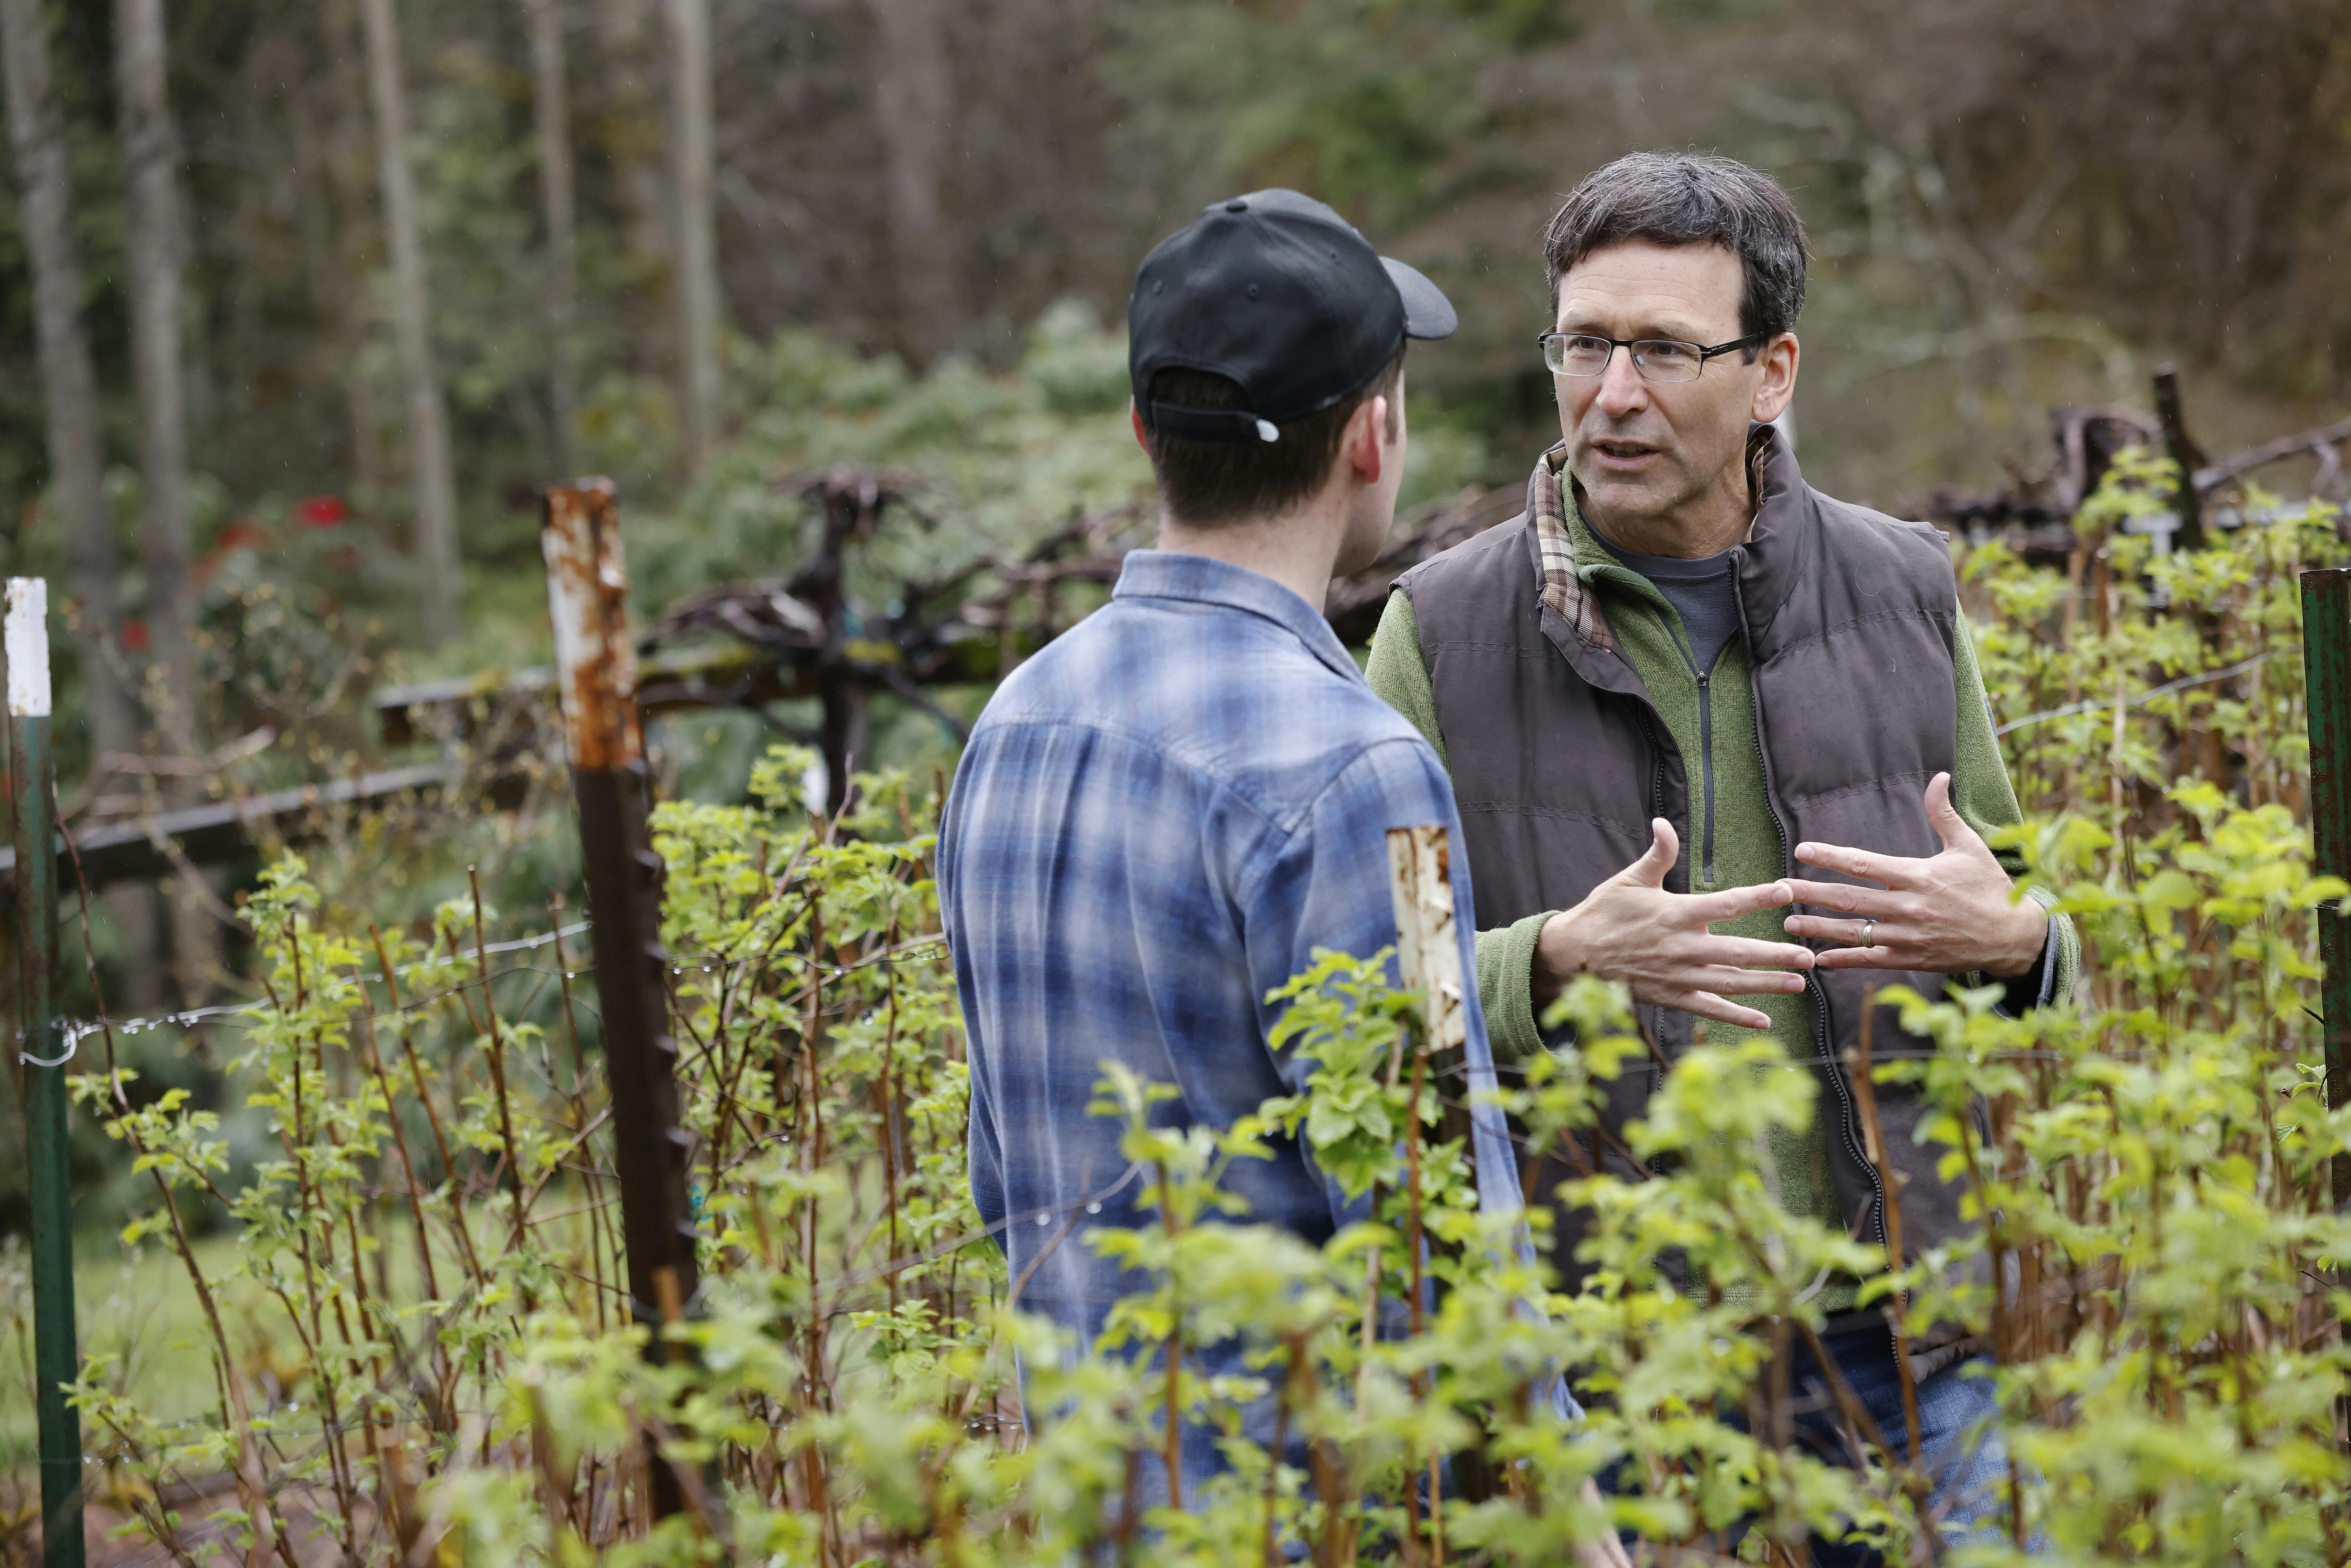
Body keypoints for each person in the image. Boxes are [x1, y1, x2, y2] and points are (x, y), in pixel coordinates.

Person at [1363, 152, 2076, 1558]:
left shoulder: (1903, 589)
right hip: (1604, 1367)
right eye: (1583, 344)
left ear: (1770, 374)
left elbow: (2022, 913)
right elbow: (1370, 988)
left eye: (1665, 350)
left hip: (1907, 1347)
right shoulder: (1435, 632)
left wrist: (2018, 943)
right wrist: (1548, 960)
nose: (1613, 393)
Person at [938, 191, 1627, 1562]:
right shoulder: (1363, 775)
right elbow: (1438, 1224)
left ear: (1145, 430)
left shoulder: (1013, 721)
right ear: (1372, 435)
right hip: (1303, 1519)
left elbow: (1001, 1171)